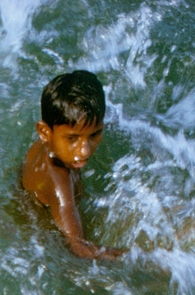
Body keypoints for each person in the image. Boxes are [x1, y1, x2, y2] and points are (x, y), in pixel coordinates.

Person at [21, 71, 126, 260]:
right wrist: (140, 257)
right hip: (40, 231)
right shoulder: (59, 179)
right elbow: (79, 248)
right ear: (44, 132)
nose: (85, 150)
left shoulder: (49, 145)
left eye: (94, 135)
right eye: (72, 138)